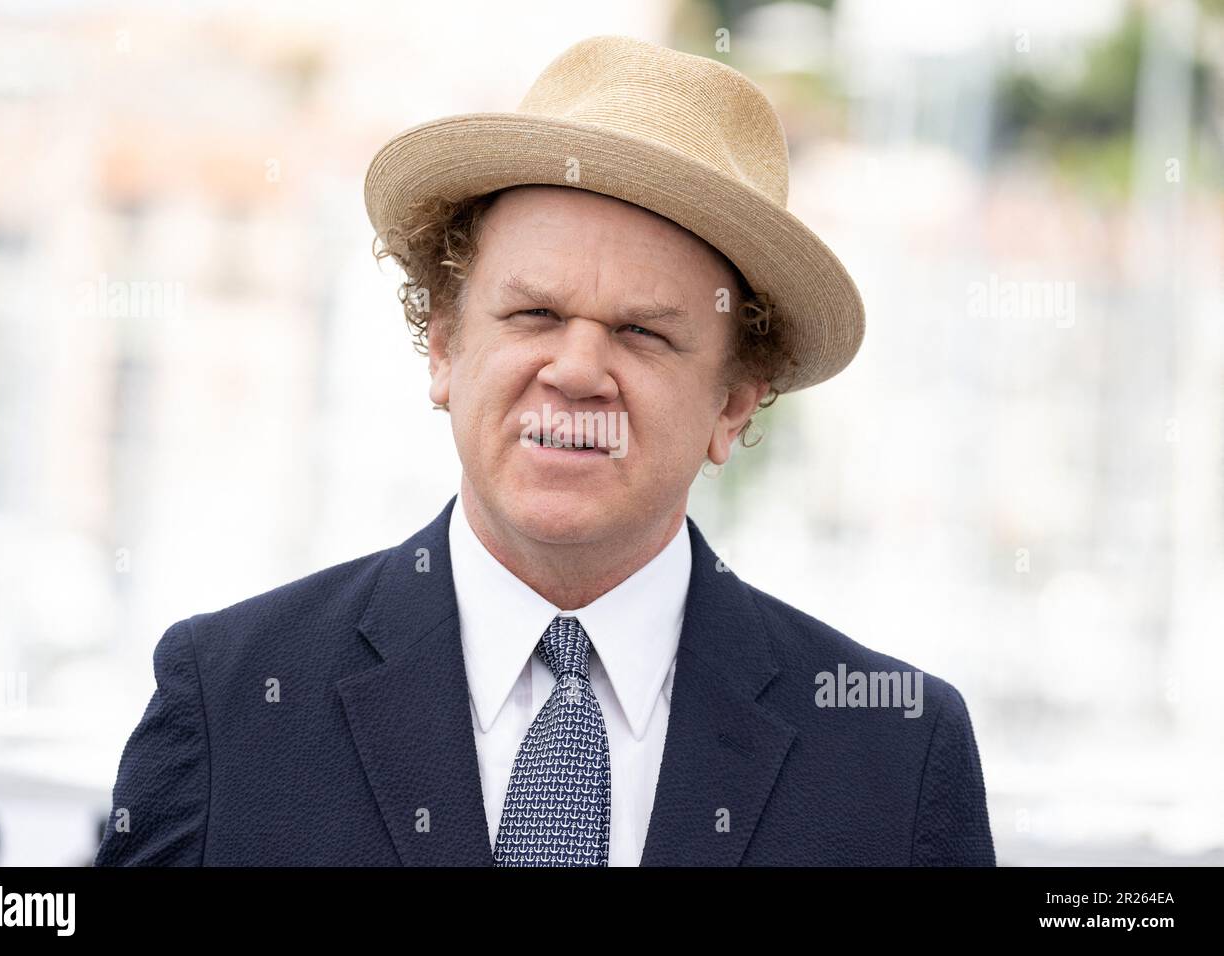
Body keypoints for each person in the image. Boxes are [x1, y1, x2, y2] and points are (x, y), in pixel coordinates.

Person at [95, 34, 994, 867]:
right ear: (444, 345)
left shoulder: (897, 756)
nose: (576, 369)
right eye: (534, 314)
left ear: (733, 404)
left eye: (643, 332)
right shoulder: (229, 699)